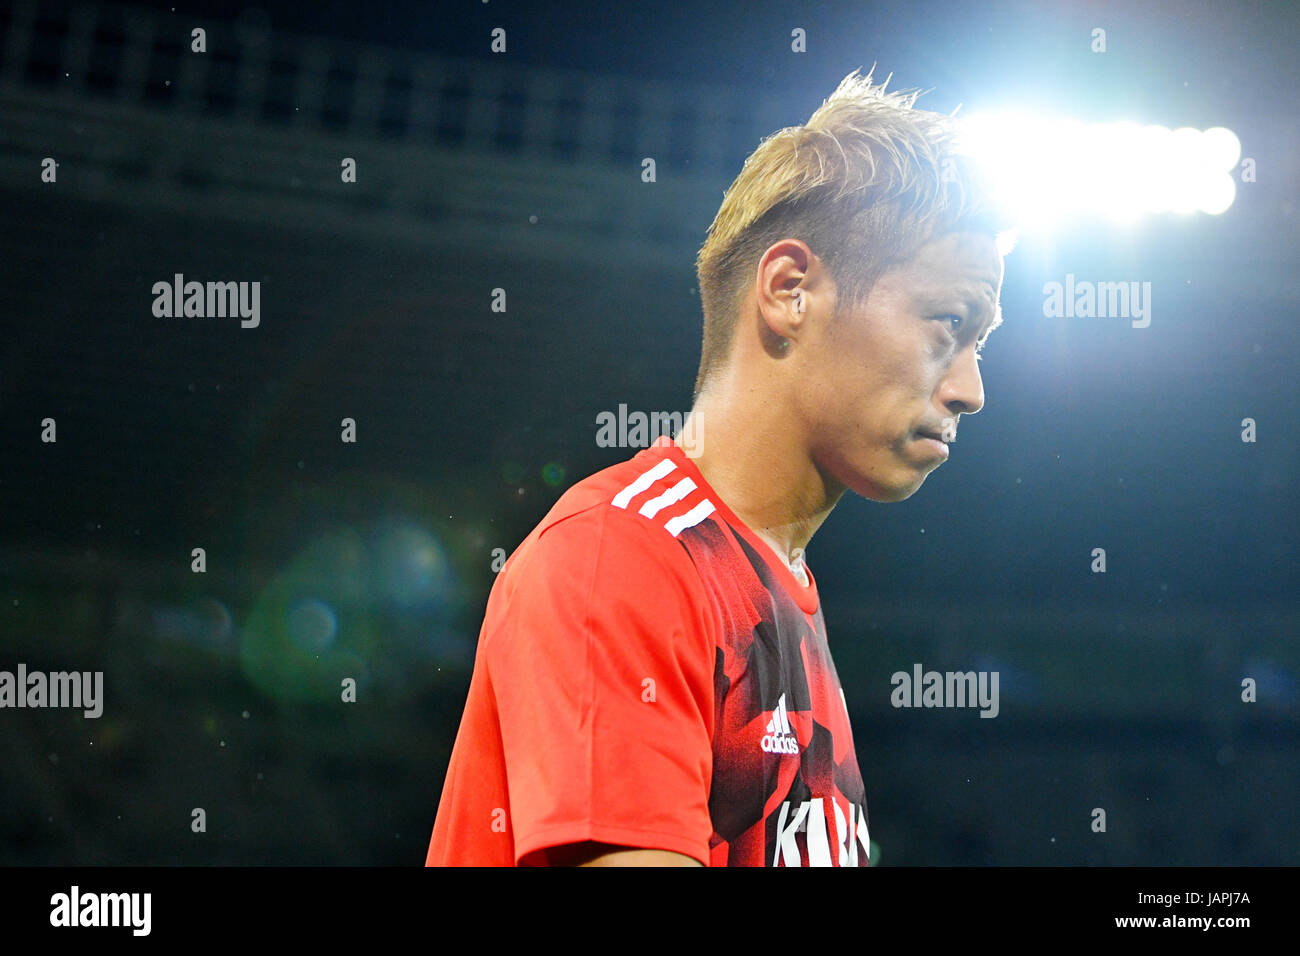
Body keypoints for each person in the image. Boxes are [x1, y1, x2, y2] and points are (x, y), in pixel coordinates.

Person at [426, 67, 1011, 866]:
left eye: (983, 342)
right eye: (950, 322)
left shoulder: (775, 584)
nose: (972, 390)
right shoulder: (621, 556)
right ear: (790, 289)